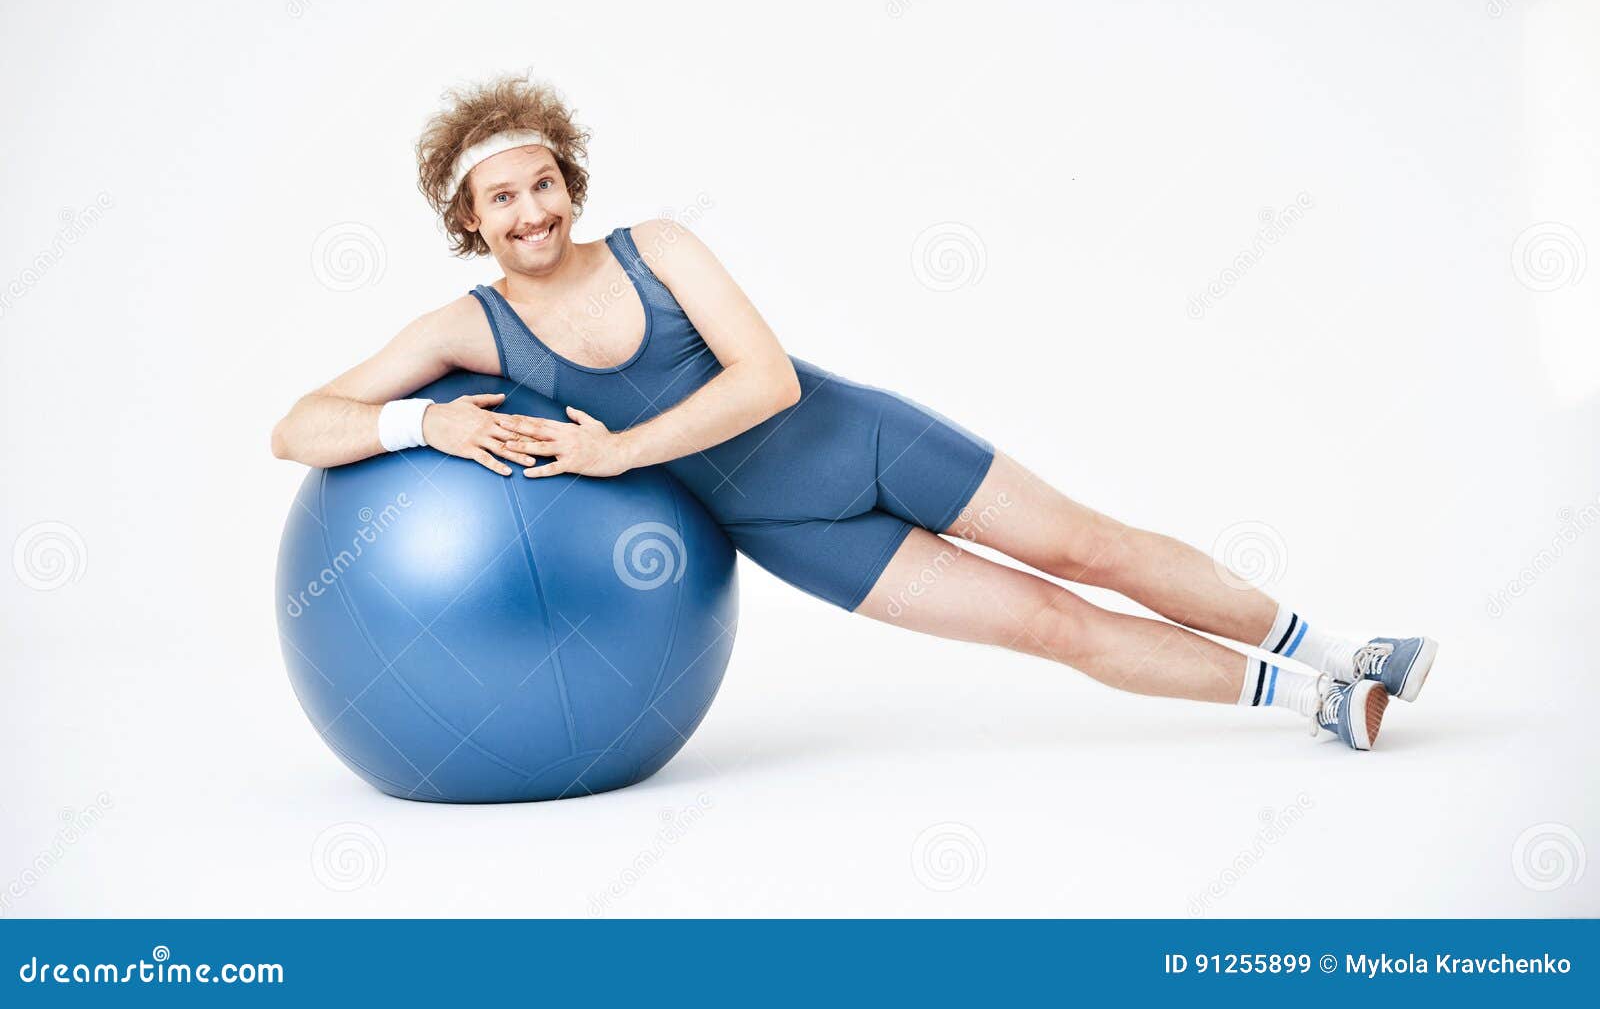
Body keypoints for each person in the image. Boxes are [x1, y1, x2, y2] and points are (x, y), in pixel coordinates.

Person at [271, 74, 1438, 752]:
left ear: (569, 181)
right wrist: (425, 428)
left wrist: (619, 448)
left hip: (860, 436)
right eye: (501, 199)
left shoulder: (658, 246)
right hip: (800, 537)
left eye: (542, 183)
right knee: (1047, 625)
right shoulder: (467, 329)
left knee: (1093, 547)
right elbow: (299, 425)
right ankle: (1319, 702)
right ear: (467, 220)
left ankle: (1338, 643)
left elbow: (765, 380)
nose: (530, 211)